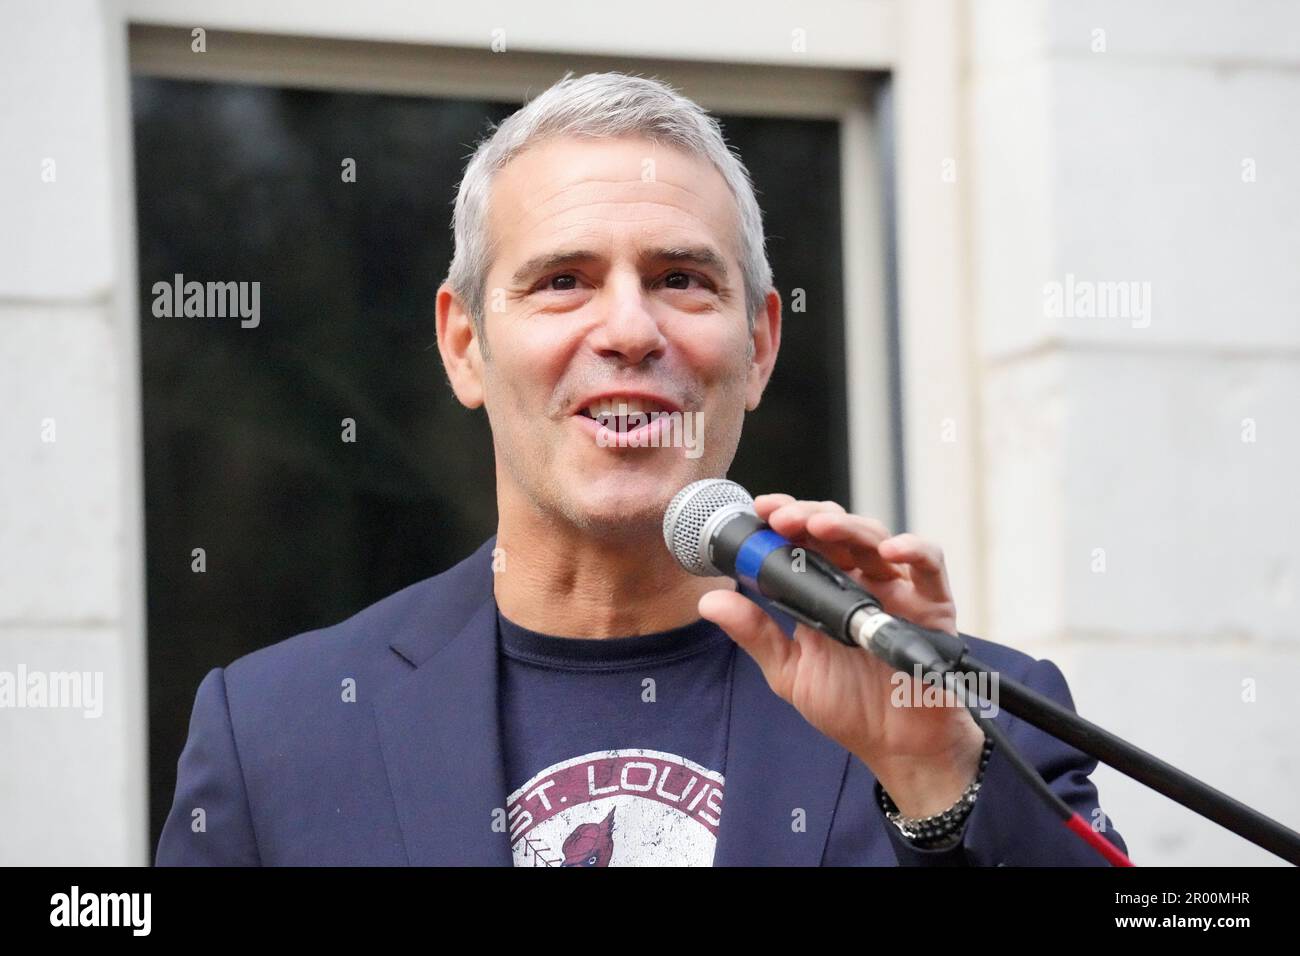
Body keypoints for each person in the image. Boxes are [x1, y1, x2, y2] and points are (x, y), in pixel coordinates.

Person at [156, 71, 1127, 866]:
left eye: (681, 280)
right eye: (563, 280)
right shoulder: (275, 733)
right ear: (463, 344)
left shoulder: (971, 710)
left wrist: (940, 787)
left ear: (759, 344)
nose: (627, 329)